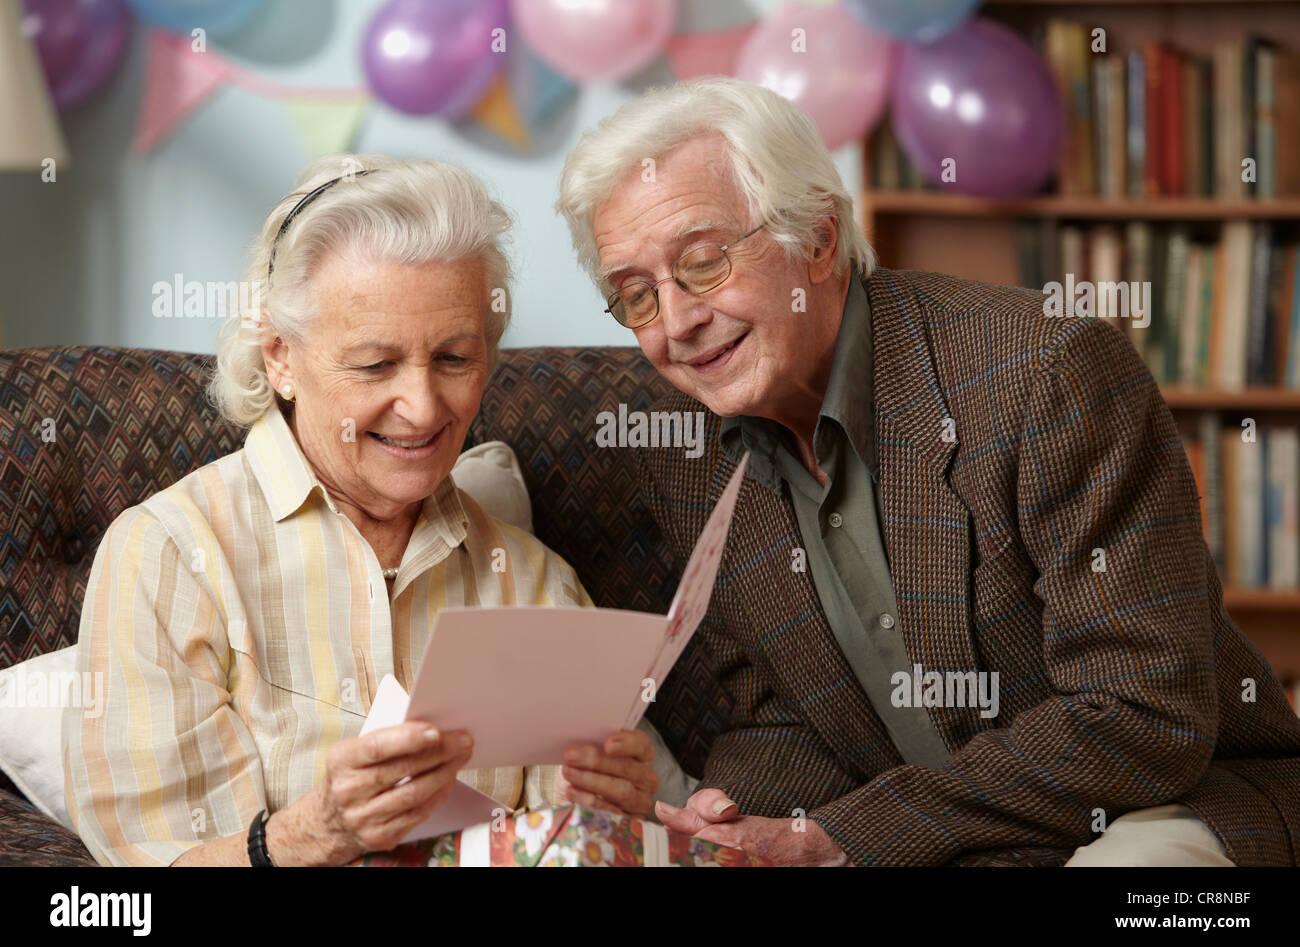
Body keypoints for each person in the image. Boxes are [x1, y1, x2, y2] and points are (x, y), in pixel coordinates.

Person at [556, 77, 1300, 866]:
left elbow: (1143, 714)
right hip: (938, 835)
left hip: (1156, 805)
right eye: (635, 295)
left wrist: (848, 836)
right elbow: (786, 716)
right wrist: (733, 825)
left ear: (818, 236)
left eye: (702, 263)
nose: (676, 322)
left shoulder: (1044, 371)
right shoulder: (687, 455)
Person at [63, 155, 660, 867]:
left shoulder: (535, 583)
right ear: (281, 356)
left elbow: (566, 842)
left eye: (454, 358)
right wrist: (310, 835)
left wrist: (614, 815)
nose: (423, 406)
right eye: (375, 366)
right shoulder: (166, 558)